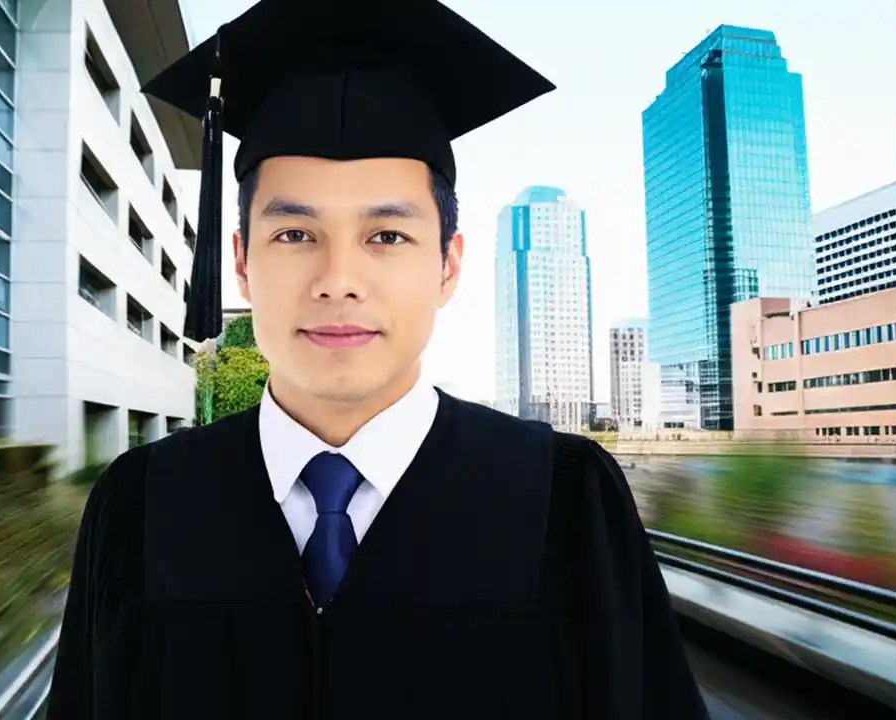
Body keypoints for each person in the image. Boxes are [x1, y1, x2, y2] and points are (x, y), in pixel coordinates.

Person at [48, 0, 709, 717]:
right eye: (295, 234)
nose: (339, 278)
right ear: (240, 264)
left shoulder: (567, 501)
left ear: (448, 266)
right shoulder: (142, 505)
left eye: (387, 237)